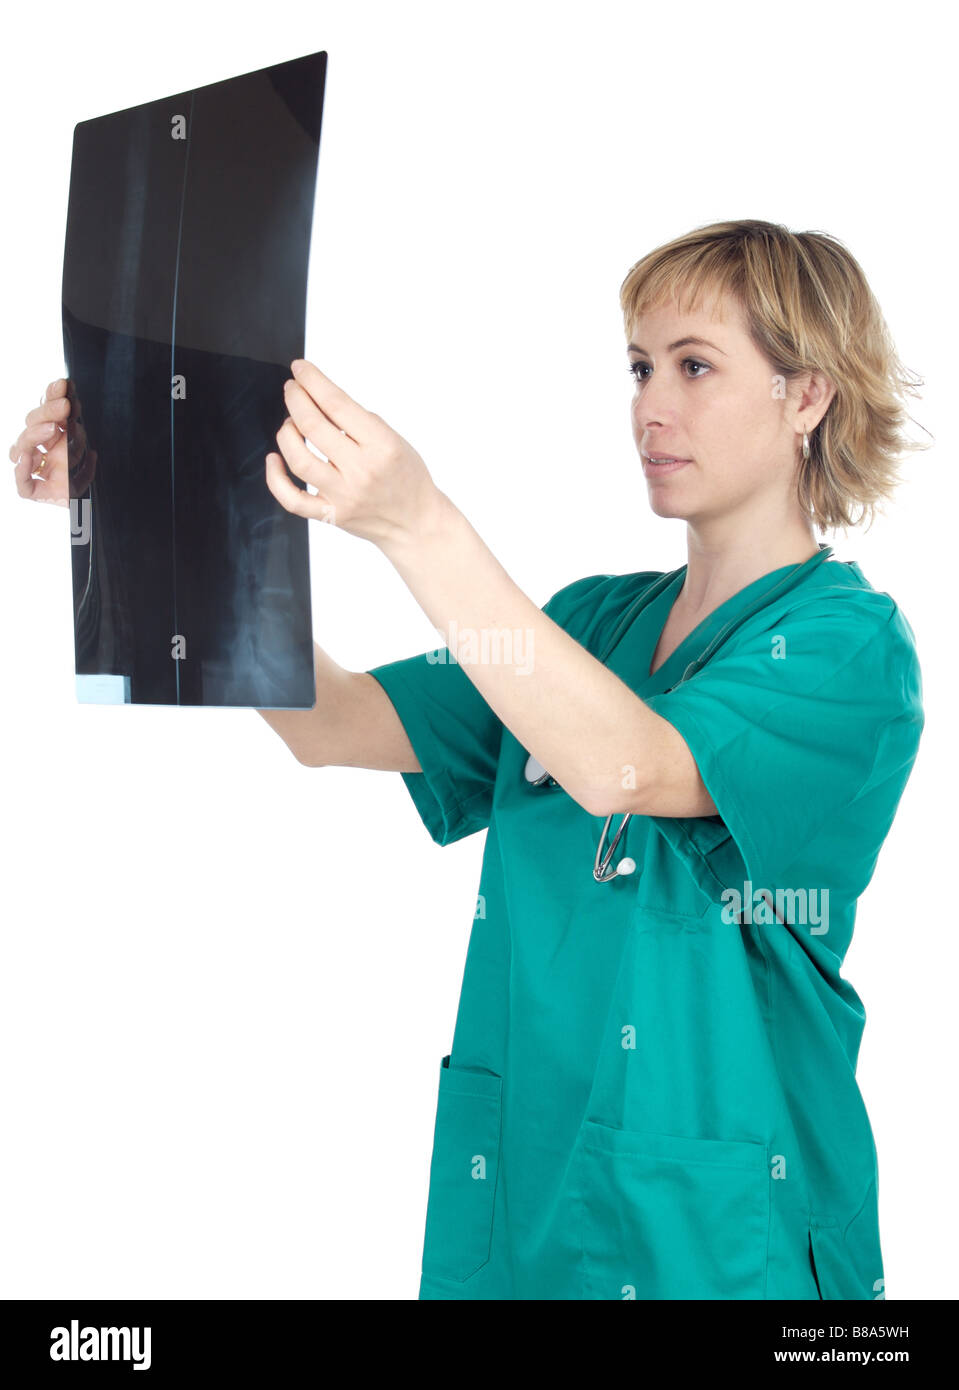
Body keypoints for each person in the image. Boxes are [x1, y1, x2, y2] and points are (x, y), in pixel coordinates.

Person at [11, 218, 927, 1301]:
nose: (648, 405)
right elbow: (333, 722)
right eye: (638, 366)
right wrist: (143, 508)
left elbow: (626, 767)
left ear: (805, 396)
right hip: (525, 1217)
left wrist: (415, 521)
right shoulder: (588, 625)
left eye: (693, 366)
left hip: (723, 1243)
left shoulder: (844, 648)